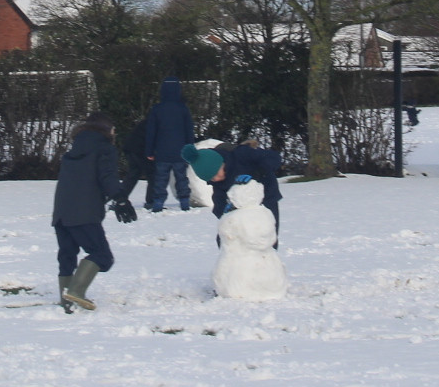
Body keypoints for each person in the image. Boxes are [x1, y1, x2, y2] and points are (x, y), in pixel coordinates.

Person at [52, 111, 137, 312]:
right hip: (84, 214)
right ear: (107, 129)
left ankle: (67, 301)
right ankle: (76, 291)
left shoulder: (73, 151)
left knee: (67, 255)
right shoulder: (104, 148)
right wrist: (120, 198)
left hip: (61, 214)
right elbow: (107, 176)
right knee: (102, 255)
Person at [185, 136, 284, 245]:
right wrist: (226, 211)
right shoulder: (218, 183)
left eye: (217, 174)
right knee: (227, 239)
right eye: (212, 179)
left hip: (267, 198)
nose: (216, 179)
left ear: (221, 163)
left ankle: (269, 257)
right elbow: (219, 204)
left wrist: (257, 173)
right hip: (241, 208)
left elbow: (274, 158)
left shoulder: (242, 154)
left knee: (267, 235)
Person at [142, 77, 196, 212]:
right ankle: (184, 202)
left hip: (162, 151)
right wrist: (190, 150)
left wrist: (149, 151)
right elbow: (189, 131)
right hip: (180, 151)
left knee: (160, 179)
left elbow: (151, 132)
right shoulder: (183, 109)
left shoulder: (157, 109)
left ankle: (158, 203)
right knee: (181, 178)